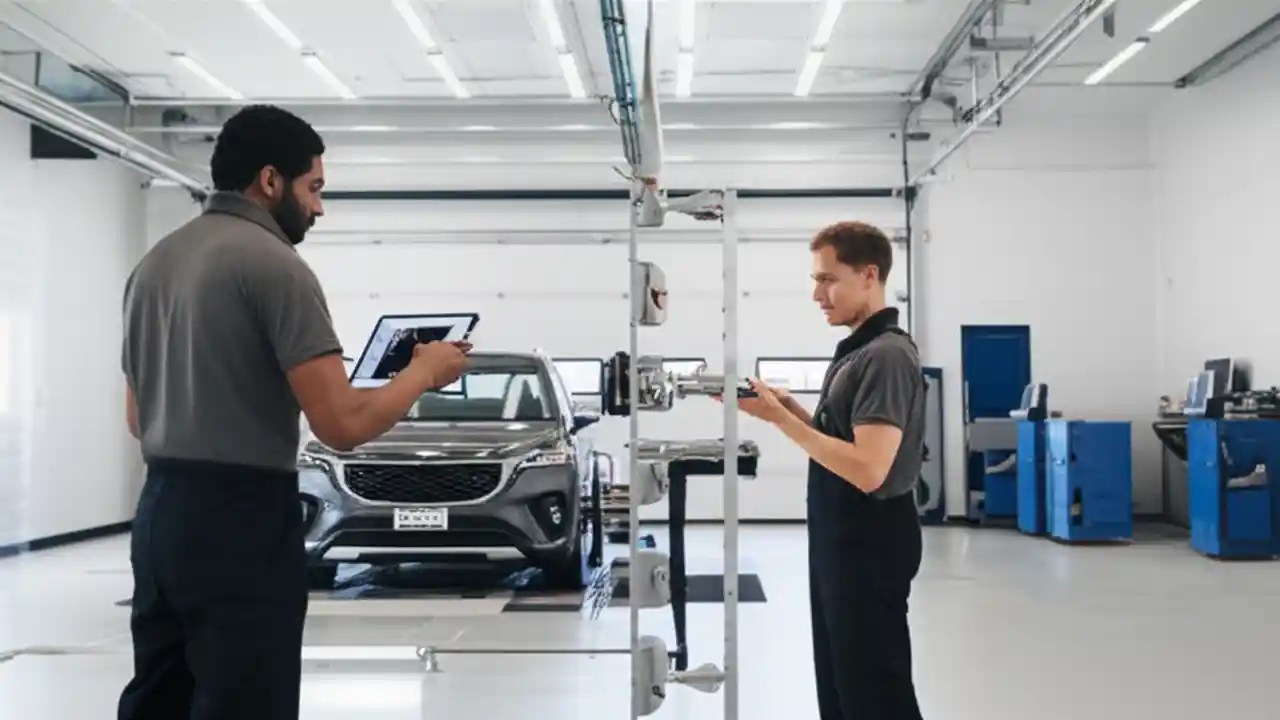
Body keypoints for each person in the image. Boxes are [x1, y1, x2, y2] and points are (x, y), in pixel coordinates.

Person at [117, 104, 471, 720]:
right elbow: (342, 426)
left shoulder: (155, 264)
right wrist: (423, 373)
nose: (320, 207)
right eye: (314, 188)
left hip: (159, 516)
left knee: (160, 697)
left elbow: (135, 416)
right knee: (247, 700)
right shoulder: (276, 266)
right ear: (270, 180)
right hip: (241, 521)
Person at [732, 221, 925, 719]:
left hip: (871, 537)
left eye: (827, 279)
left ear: (869, 274)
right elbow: (842, 444)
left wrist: (779, 420)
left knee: (874, 691)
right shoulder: (858, 350)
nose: (818, 294)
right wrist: (791, 411)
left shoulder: (885, 356)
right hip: (842, 537)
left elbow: (869, 469)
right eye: (816, 281)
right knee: (842, 685)